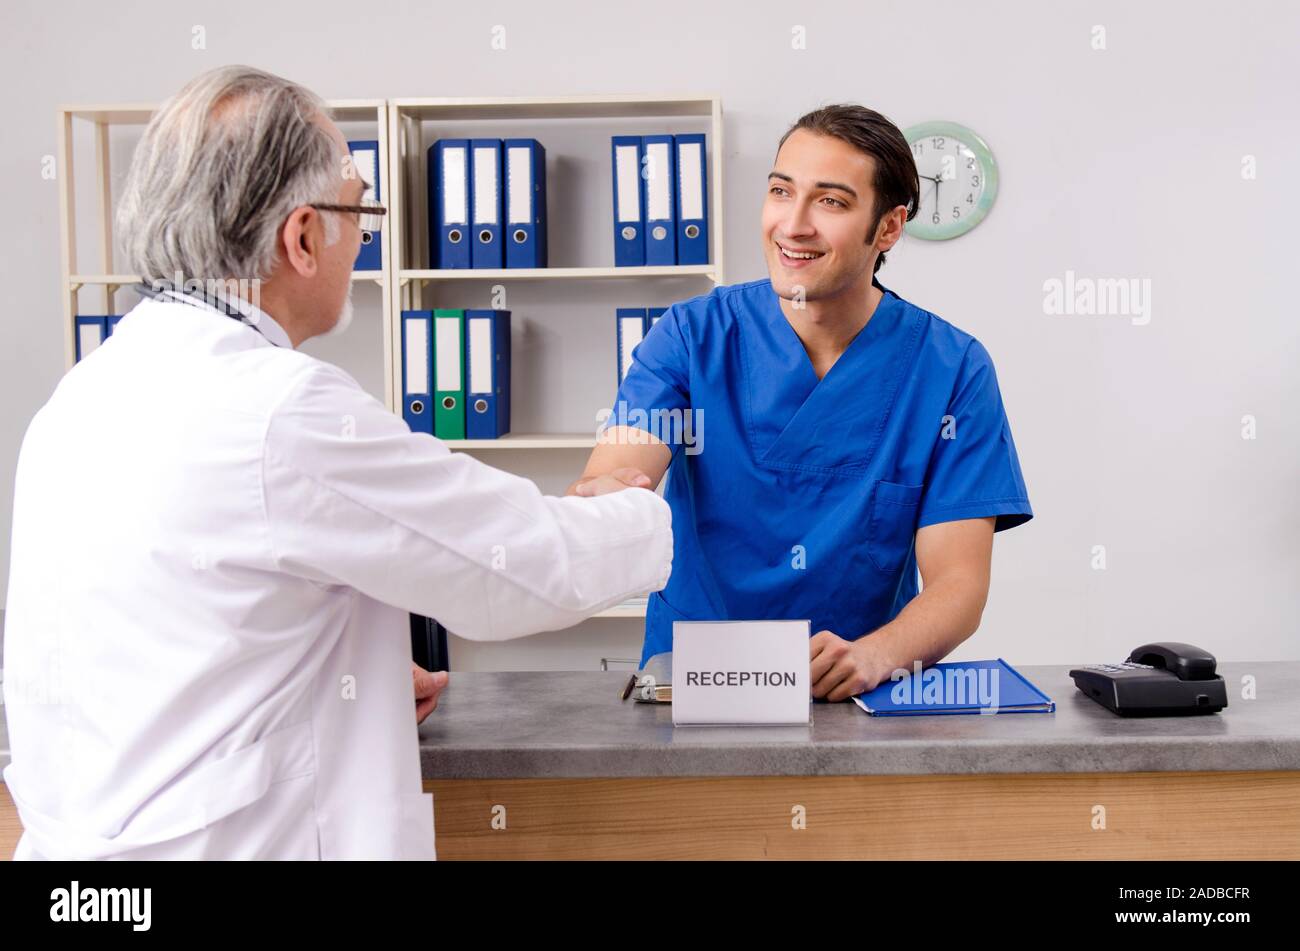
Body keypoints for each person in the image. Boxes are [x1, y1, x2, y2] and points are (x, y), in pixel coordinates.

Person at [2, 66, 671, 860]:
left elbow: (165, 637)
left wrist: (348, 685)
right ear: (303, 236)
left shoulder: (83, 394)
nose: (366, 236)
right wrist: (637, 508)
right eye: (361, 209)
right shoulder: (280, 411)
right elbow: (517, 569)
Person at [569, 104, 1031, 702]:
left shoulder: (952, 369)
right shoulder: (691, 337)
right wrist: (605, 502)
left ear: (888, 228)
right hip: (691, 689)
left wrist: (875, 655)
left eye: (831, 202)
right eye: (781, 192)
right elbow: (616, 471)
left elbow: (958, 583)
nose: (794, 224)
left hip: (855, 699)